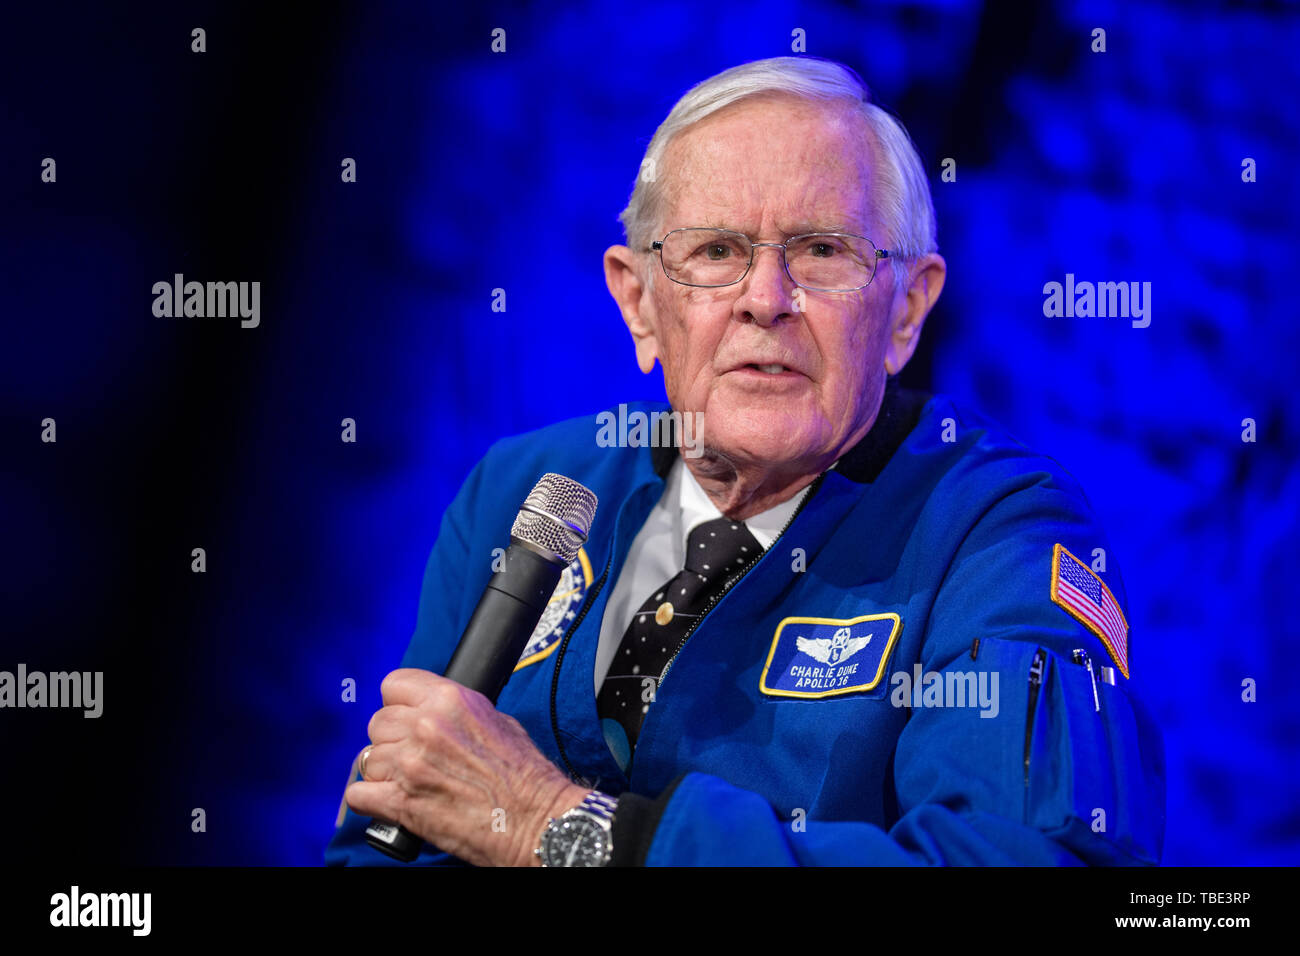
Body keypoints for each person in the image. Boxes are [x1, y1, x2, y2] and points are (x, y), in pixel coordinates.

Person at [326, 55, 1165, 866]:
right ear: (639, 303)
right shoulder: (525, 491)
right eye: (716, 252)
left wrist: (554, 828)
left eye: (824, 251)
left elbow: (1021, 858)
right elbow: (387, 838)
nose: (766, 299)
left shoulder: (996, 533)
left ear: (907, 310)